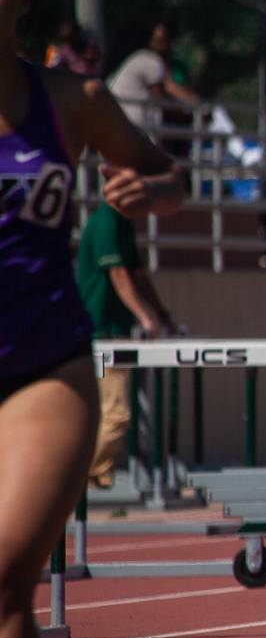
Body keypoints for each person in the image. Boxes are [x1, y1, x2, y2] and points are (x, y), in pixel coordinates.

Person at [0, 0, 184, 638]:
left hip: (45, 364)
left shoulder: (70, 101)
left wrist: (152, 190)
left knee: (4, 576)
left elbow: (166, 174)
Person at [76, 192, 178, 489]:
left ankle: (90, 478)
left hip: (117, 331)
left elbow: (136, 274)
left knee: (114, 412)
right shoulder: (106, 222)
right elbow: (118, 273)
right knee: (117, 412)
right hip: (102, 333)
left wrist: (161, 313)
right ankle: (81, 481)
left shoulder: (122, 224)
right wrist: (145, 318)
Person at [106, 24, 199, 149]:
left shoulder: (135, 61)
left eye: (164, 40)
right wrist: (190, 112)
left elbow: (170, 89)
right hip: (135, 129)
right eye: (157, 40)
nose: (160, 45)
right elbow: (160, 101)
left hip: (121, 125)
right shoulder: (151, 61)